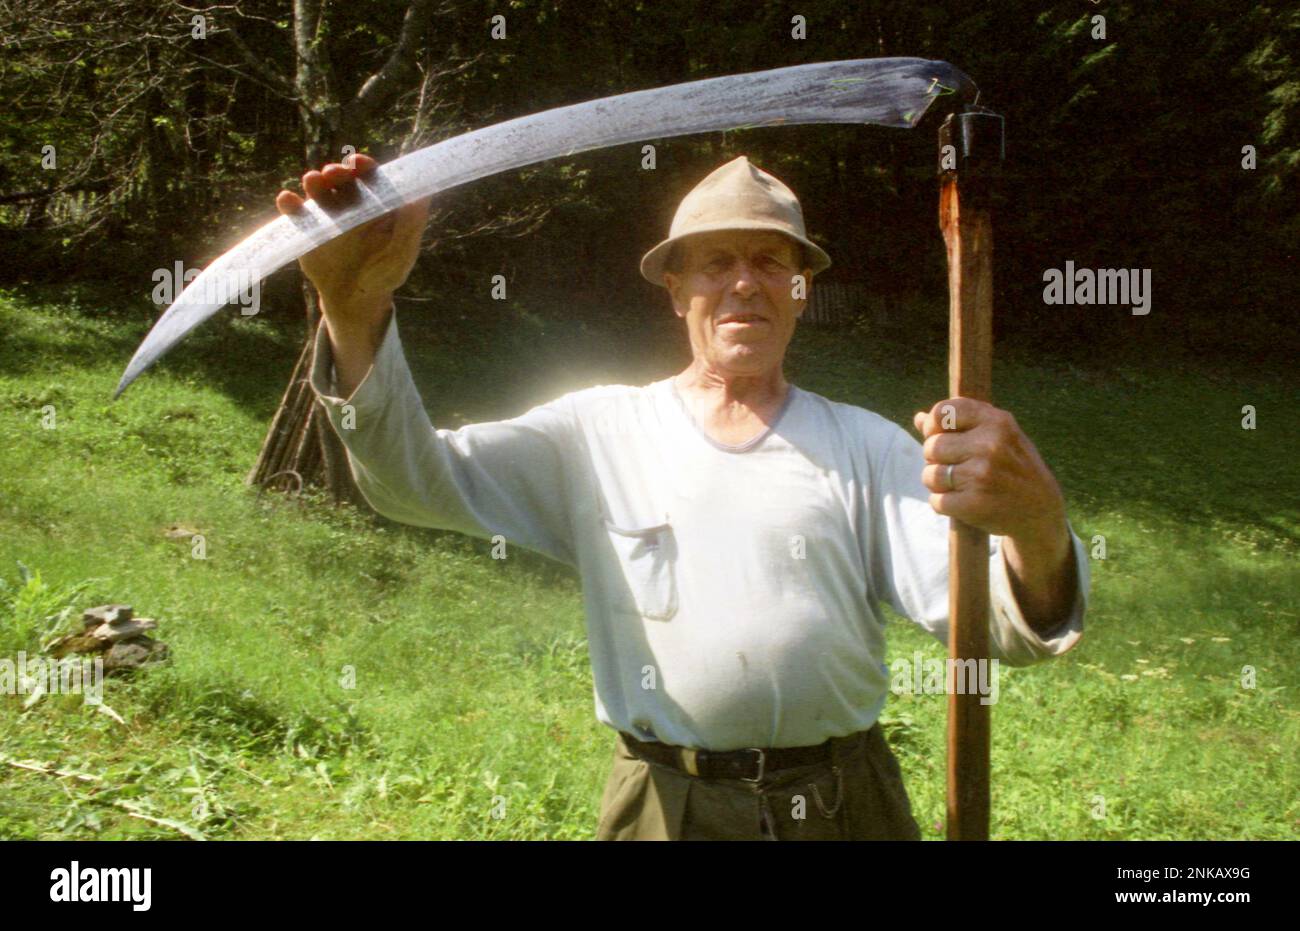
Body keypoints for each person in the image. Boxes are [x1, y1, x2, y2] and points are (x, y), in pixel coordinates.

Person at [278, 152, 1089, 841]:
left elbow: (997, 627)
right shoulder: (595, 434)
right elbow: (413, 483)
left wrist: (1036, 527)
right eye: (716, 262)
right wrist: (353, 310)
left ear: (802, 289)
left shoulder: (867, 447)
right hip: (665, 810)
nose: (745, 283)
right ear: (675, 290)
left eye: (771, 261)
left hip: (844, 807)